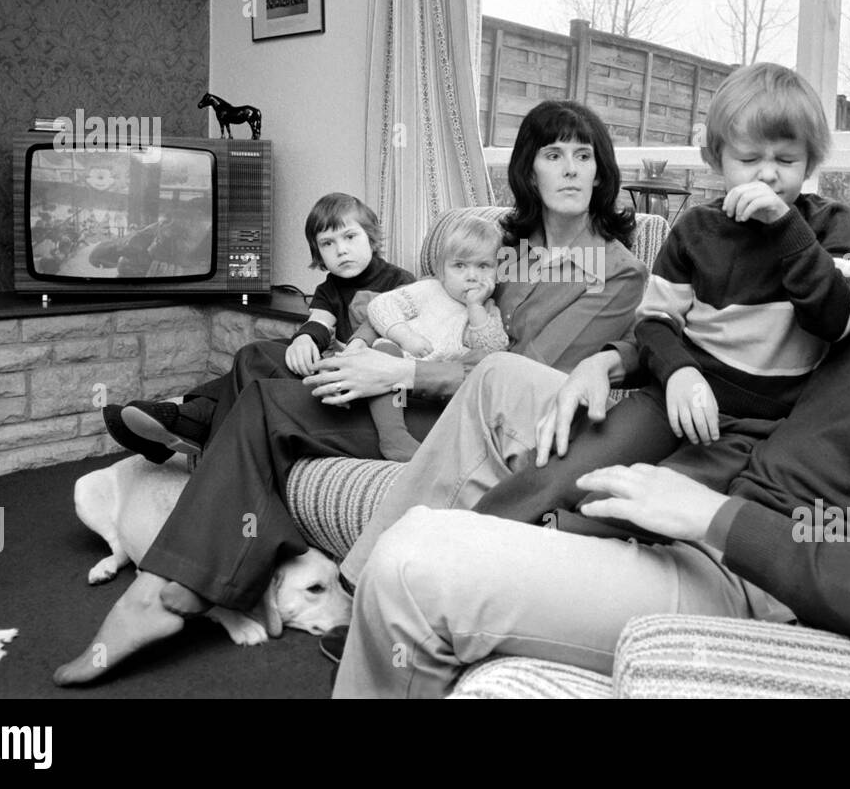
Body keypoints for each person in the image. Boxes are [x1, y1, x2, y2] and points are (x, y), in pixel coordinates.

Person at [330, 68, 850, 698]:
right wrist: (611, 361)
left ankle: (391, 596)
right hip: (703, 460)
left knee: (420, 562)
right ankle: (352, 591)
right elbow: (721, 323)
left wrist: (718, 518)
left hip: (753, 574)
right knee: (502, 377)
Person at [54, 99, 648, 686]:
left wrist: (396, 375)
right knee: (261, 366)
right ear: (530, 167)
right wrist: (368, 347)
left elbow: (519, 379)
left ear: (601, 171)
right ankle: (199, 537)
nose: (570, 168)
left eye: (583, 155)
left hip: (468, 423)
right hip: (417, 383)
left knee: (262, 401)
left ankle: (165, 575)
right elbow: (428, 307)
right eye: (553, 153)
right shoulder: (503, 245)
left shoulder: (615, 271)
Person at [470, 63, 850, 536]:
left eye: (786, 160)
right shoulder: (695, 231)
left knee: (628, 506)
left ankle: (555, 542)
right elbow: (655, 321)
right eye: (748, 159)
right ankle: (456, 544)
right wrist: (680, 371)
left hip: (758, 428)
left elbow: (834, 318)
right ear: (717, 158)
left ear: (810, 161)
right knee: (556, 473)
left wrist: (787, 228)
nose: (767, 174)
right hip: (670, 395)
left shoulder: (827, 226)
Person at [101, 192, 414, 460]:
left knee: (257, 365)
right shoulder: (328, 289)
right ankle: (188, 419)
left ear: (371, 237)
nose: (341, 250)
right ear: (318, 253)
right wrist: (305, 338)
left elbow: (403, 343)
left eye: (350, 237)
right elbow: (320, 322)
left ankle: (186, 421)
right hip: (332, 369)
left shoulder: (400, 282)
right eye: (328, 243)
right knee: (254, 354)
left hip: (368, 389)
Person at [359, 215, 508, 460]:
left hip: (433, 390)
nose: (472, 276)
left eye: (483, 266)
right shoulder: (429, 290)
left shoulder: (486, 310)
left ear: (498, 273)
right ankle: (394, 437)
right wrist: (405, 336)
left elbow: (492, 350)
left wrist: (475, 307)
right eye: (460, 265)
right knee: (386, 352)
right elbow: (380, 306)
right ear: (441, 270)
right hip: (394, 373)